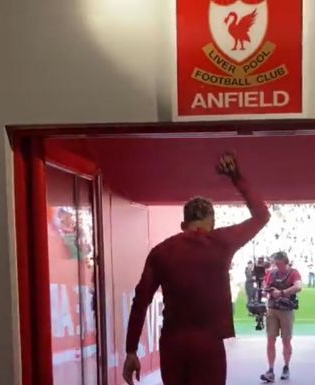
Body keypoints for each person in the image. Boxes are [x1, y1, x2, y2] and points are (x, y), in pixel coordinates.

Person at [122, 153, 271, 385]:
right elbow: (262, 215)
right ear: (211, 224)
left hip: (173, 343)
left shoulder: (161, 252)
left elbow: (140, 302)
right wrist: (236, 177)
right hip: (208, 344)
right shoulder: (221, 241)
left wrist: (131, 350)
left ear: (183, 225)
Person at [260, 251, 302, 383]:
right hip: (272, 309)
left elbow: (298, 287)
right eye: (275, 264)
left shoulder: (293, 273)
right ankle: (270, 369)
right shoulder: (271, 273)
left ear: (285, 262)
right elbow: (265, 286)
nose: (277, 266)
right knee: (270, 339)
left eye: (279, 264)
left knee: (286, 340)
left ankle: (286, 366)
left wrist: (282, 292)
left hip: (286, 311)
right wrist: (269, 291)